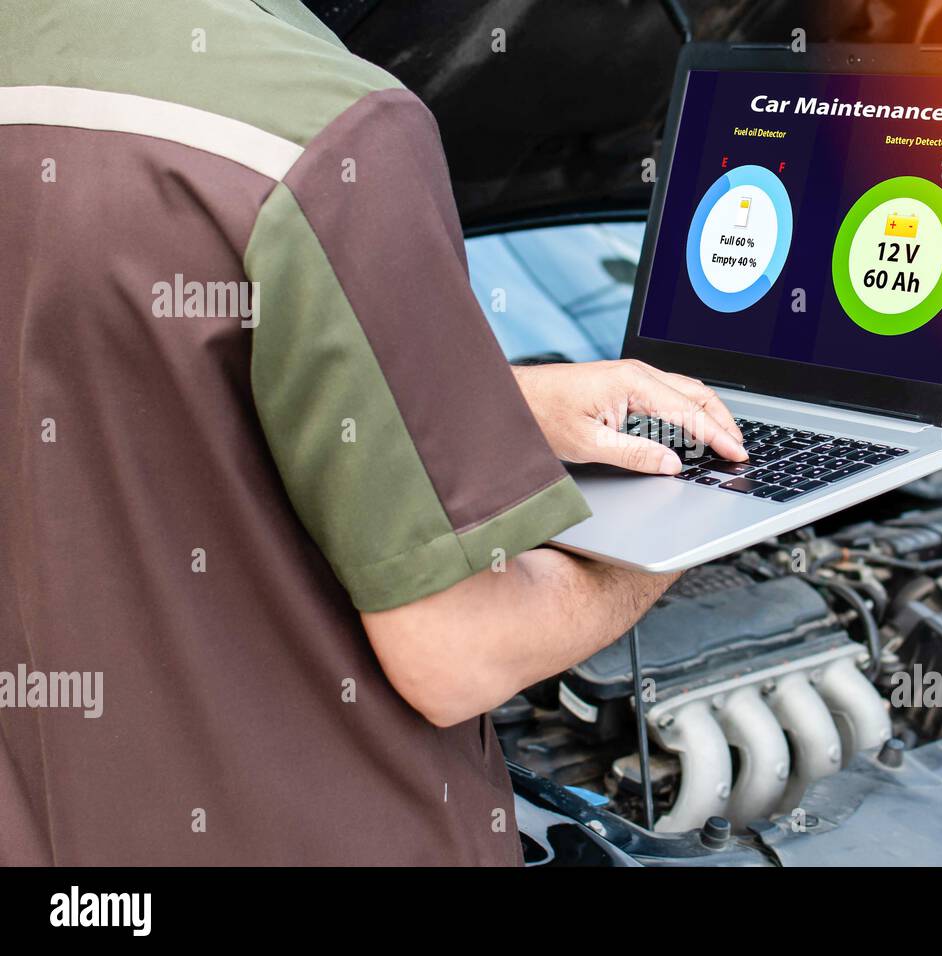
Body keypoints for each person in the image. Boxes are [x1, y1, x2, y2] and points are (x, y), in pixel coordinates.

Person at [0, 0, 746, 865]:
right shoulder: (333, 125)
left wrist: (481, 394)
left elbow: (104, 371)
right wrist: (689, 524)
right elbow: (454, 656)